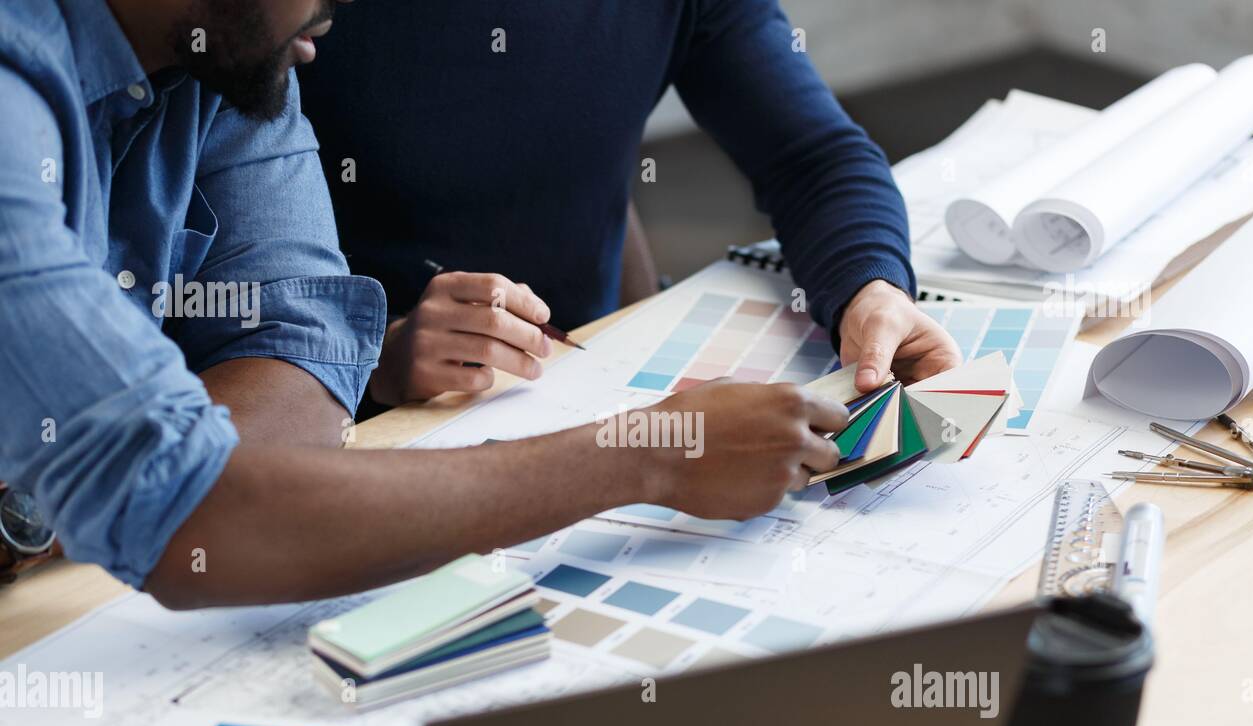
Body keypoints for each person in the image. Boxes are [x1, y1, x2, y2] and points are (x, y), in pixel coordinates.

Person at [0, 0, 847, 610]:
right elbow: (199, 517)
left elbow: (304, 348)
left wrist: (85, 499)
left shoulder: (235, 57)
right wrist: (648, 456)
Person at [297, 0, 963, 410]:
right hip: (357, 415)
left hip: (594, 387)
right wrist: (374, 358)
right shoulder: (288, 18)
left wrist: (869, 288)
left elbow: (811, 157)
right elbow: (215, 289)